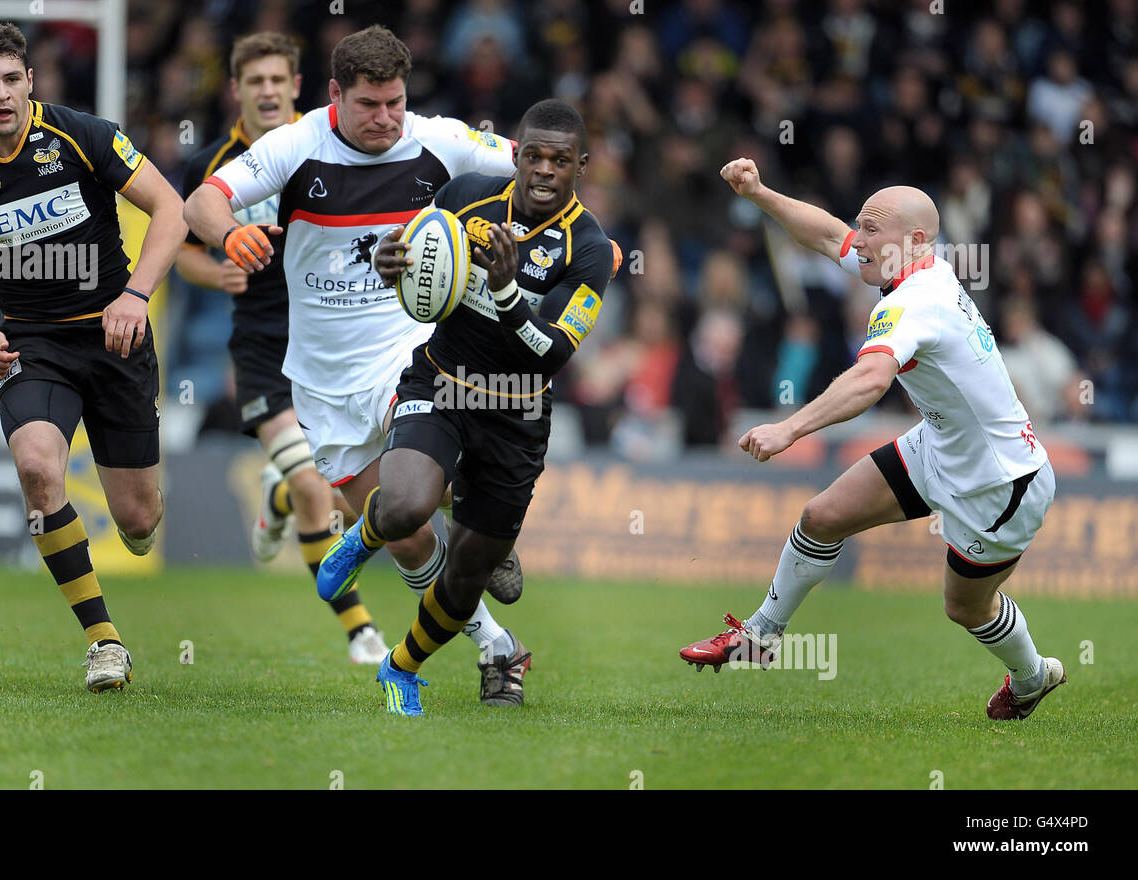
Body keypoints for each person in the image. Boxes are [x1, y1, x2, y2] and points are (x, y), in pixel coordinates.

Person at [183, 25, 524, 700]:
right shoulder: (295, 146)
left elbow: (534, 164)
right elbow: (201, 202)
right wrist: (233, 232)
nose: (385, 118)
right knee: (402, 538)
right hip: (320, 383)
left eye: (395, 102)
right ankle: (496, 644)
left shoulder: (438, 139)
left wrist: (518, 229)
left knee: (421, 484)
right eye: (369, 104)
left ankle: (484, 528)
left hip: (409, 354)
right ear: (336, 94)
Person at [679, 158, 1063, 721]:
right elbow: (830, 233)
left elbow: (871, 379)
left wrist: (788, 427)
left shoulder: (913, 302)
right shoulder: (914, 268)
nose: (859, 237)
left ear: (912, 240)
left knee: (965, 607)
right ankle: (762, 634)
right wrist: (760, 192)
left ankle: (1033, 676)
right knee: (822, 516)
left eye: (872, 228)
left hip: (1001, 481)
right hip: (941, 444)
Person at [317, 99, 615, 715]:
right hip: (441, 383)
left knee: (465, 577)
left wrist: (507, 292)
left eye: (560, 161)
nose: (543, 171)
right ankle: (365, 535)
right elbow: (416, 266)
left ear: (580, 167)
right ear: (517, 155)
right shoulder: (466, 197)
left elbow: (552, 353)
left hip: (518, 414)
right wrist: (389, 261)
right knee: (404, 506)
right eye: (533, 155)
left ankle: (400, 668)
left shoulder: (589, 249)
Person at [0, 20, 187, 693]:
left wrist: (134, 293)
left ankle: (139, 524)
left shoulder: (81, 135)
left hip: (115, 334)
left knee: (138, 517)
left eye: (12, 79)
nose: (2, 93)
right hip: (30, 347)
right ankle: (103, 641)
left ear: (31, 81)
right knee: (40, 472)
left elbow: (170, 209)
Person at [177, 32, 386, 664]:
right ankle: (360, 630)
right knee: (315, 489)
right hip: (264, 346)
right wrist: (221, 272)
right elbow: (185, 255)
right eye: (254, 81)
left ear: (295, 86)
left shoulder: (324, 148)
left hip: (337, 344)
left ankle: (278, 497)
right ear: (235, 89)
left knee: (363, 496)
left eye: (277, 80)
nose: (267, 91)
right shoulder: (214, 164)